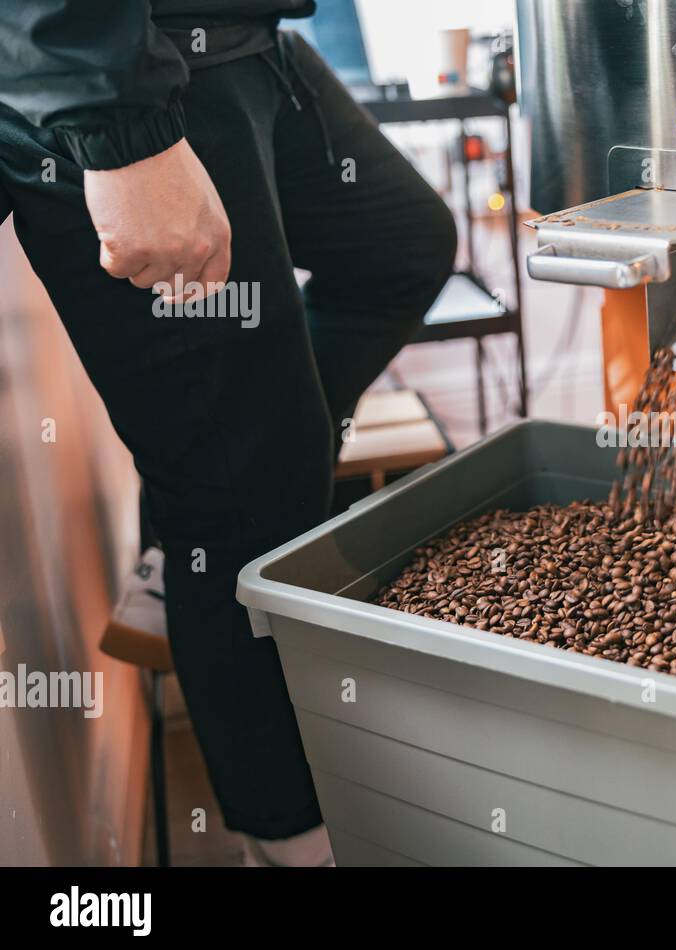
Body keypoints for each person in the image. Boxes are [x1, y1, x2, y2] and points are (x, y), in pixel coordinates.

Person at [0, 1, 457, 865]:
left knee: (401, 248)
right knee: (243, 504)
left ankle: (189, 532)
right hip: (130, 76)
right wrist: (116, 129)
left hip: (249, 43)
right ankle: (290, 839)